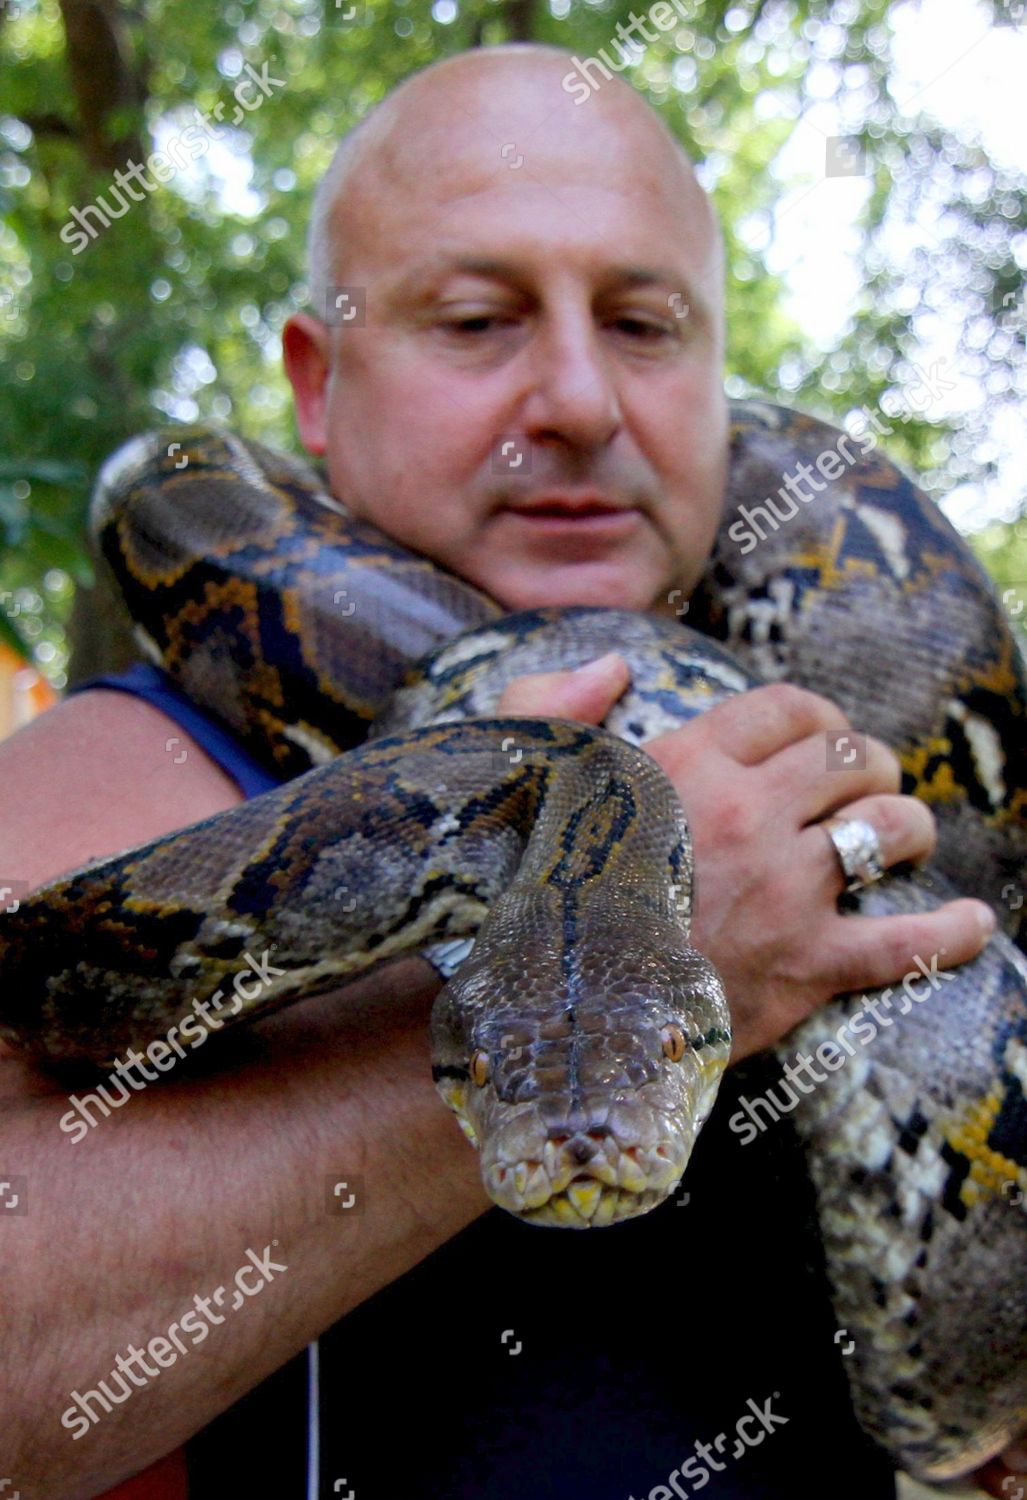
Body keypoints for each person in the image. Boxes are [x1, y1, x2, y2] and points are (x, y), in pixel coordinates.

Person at [0, 42, 1007, 1500]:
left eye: (649, 327)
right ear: (318, 383)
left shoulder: (847, 769)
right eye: (477, 320)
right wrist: (623, 956)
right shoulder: (154, 764)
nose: (583, 402)